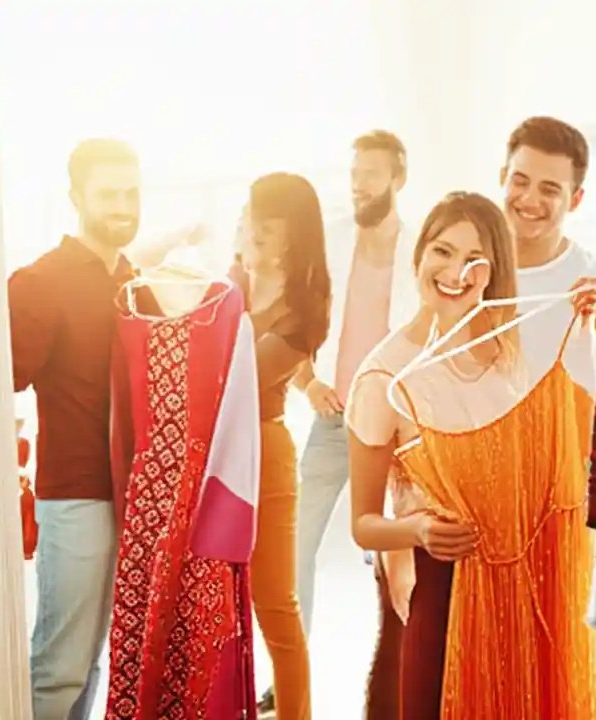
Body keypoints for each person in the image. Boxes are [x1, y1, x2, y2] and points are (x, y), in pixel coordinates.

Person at [348, 191, 596, 718]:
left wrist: (590, 329)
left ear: (494, 272)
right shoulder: (383, 376)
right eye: (442, 252)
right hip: (444, 589)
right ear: (419, 256)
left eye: (475, 260)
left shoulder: (511, 353)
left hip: (527, 586)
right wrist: (418, 531)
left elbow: (554, 455)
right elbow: (364, 524)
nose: (456, 272)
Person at [9, 138, 186, 719]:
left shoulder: (141, 285)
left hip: (138, 498)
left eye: (131, 193)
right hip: (78, 493)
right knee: (60, 667)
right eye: (108, 193)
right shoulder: (39, 282)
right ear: (75, 197)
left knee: (97, 663)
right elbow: (0, 381)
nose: (123, 205)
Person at [500, 116, 596, 717]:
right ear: (501, 177)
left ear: (576, 199)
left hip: (567, 531)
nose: (530, 200)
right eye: (520, 180)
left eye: (550, 189)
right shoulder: (464, 272)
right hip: (476, 518)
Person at [290, 130, 415, 654]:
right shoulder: (331, 241)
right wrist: (309, 382)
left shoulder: (421, 248)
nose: (359, 185)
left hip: (401, 428)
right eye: (354, 173)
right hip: (333, 421)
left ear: (397, 177)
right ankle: (287, 669)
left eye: (370, 173)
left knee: (401, 556)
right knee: (291, 547)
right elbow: (293, 318)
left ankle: (406, 670)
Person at [235, 172, 331, 719]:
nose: (260, 228)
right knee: (218, 605)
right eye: (256, 214)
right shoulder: (230, 280)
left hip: (263, 453)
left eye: (274, 220)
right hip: (211, 451)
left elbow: (241, 374)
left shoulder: (304, 309)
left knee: (274, 604)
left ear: (295, 233)